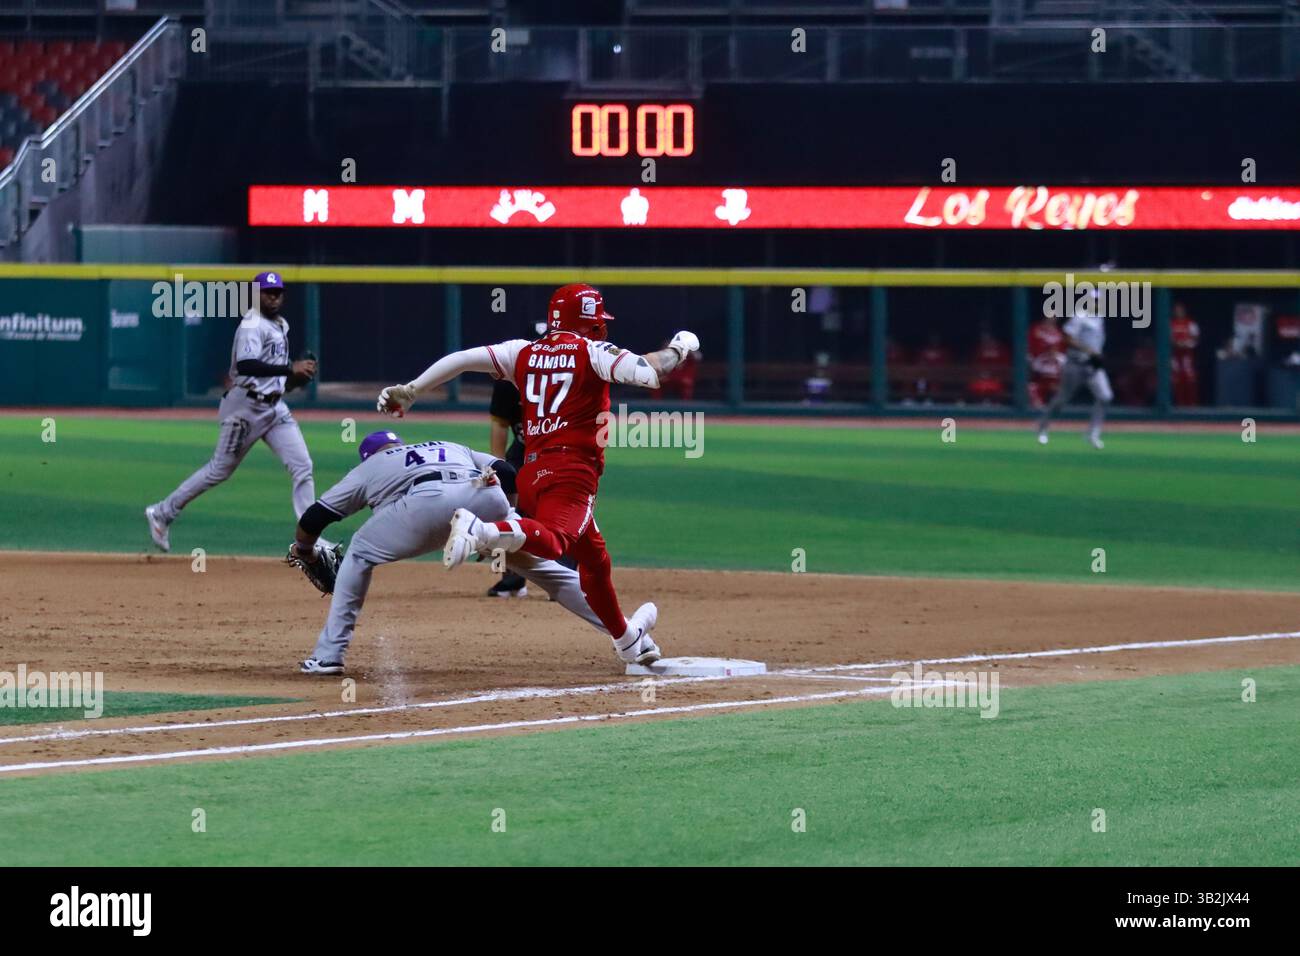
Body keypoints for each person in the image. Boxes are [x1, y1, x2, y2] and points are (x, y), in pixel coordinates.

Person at [376, 283, 699, 665]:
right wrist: (680, 346)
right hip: (573, 471)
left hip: (532, 470)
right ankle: (480, 531)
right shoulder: (592, 351)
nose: (602, 326)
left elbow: (462, 359)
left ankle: (627, 640)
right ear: (588, 321)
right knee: (558, 542)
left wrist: (413, 390)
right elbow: (651, 372)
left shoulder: (523, 351)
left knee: (595, 558)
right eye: (597, 319)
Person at [293, 430, 620, 674]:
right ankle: (625, 632)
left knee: (360, 552)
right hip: (485, 497)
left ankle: (328, 656)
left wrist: (305, 551)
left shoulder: (370, 467)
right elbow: (507, 472)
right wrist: (504, 523)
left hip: (425, 506)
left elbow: (315, 517)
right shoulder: (447, 445)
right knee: (543, 569)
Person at [145, 272, 323, 551]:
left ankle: (310, 539)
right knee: (219, 470)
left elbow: (273, 377)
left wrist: (293, 379)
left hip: (275, 408)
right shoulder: (252, 324)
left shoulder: (281, 325)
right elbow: (246, 365)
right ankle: (162, 512)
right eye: (267, 291)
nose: (274, 296)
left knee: (303, 467)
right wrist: (290, 368)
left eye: (278, 291)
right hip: (245, 410)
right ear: (255, 295)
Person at [1035, 296, 1111, 449]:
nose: (1097, 303)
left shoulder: (1100, 317)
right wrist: (1088, 350)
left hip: (1092, 365)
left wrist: (1096, 353)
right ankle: (1042, 428)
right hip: (1075, 363)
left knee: (1105, 396)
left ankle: (1093, 434)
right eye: (1095, 300)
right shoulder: (1080, 316)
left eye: (1099, 300)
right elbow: (1067, 338)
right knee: (1062, 399)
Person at [1027, 313, 1065, 408]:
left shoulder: (1059, 332)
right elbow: (1030, 348)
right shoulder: (1036, 329)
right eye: (1051, 315)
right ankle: (1038, 403)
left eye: (1055, 316)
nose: (1052, 318)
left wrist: (1055, 354)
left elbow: (1062, 351)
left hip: (1055, 364)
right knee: (1033, 387)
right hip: (1039, 362)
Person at [1170, 302, 1201, 406]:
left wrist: (1186, 343)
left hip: (1187, 356)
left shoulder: (1190, 323)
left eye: (1180, 310)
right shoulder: (1171, 324)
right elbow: (1168, 339)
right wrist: (1176, 343)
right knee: (1176, 380)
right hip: (1175, 356)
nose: (1178, 312)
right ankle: (1179, 404)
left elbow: (1195, 339)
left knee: (1190, 379)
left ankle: (1191, 404)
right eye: (1176, 310)